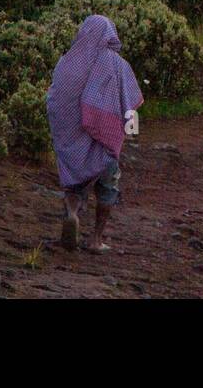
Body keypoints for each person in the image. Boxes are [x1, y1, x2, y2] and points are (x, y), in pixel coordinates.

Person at [46, 15, 144, 253]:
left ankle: (71, 214)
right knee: (108, 187)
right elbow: (129, 103)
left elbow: (55, 99)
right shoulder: (118, 66)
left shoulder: (68, 63)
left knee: (75, 186)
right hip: (104, 140)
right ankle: (96, 239)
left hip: (75, 141)